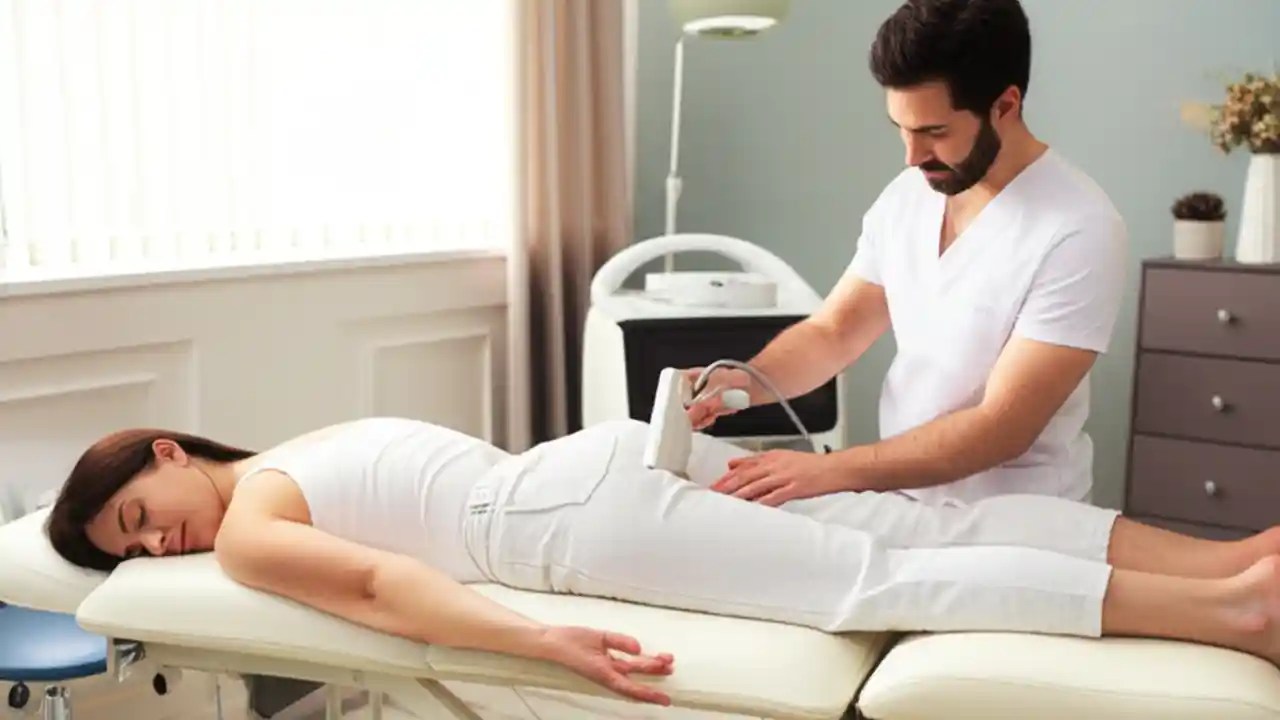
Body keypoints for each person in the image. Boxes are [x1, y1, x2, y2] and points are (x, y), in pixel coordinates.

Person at [45, 416, 1280, 707]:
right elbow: (390, 560)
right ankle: (1233, 572)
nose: (157, 546)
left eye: (139, 514)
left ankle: (1231, 613)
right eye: (132, 549)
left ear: (168, 450)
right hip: (591, 462)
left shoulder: (255, 519)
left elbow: (380, 590)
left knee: (879, 581)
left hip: (565, 523)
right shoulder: (311, 440)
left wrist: (537, 640)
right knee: (914, 528)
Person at [683, 0, 1128, 508]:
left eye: (935, 132)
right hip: (905, 505)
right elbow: (835, 332)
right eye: (901, 128)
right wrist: (744, 381)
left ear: (1005, 106)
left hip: (1018, 519)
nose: (912, 156)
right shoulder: (908, 195)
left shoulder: (1078, 227)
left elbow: (1001, 427)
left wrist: (831, 470)